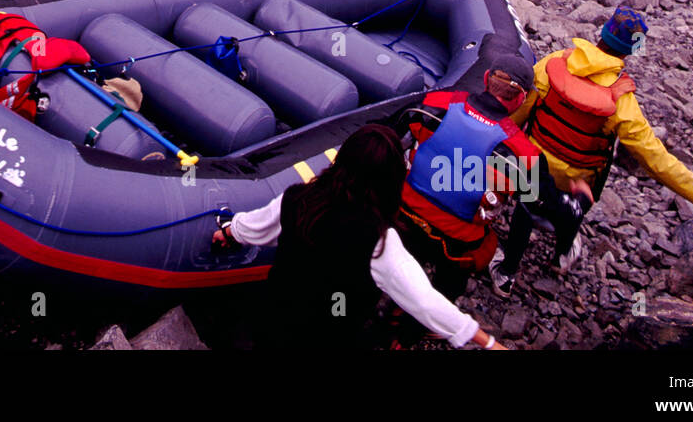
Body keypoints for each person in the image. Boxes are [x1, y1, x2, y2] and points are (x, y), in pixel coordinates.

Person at [213, 124, 506, 350]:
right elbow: (425, 301)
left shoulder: (296, 198)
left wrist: (228, 233)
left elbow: (255, 227)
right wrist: (487, 341)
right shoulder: (380, 243)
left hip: (272, 320)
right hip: (326, 337)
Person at [491, 6, 693, 294]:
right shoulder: (622, 101)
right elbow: (652, 156)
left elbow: (521, 107)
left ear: (602, 34)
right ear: (630, 52)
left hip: (534, 165)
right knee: (575, 212)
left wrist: (497, 139)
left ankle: (507, 273)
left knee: (524, 209)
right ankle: (562, 255)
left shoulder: (554, 63)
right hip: (579, 179)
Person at [393, 53, 589, 317]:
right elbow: (542, 206)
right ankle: (435, 318)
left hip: (403, 214)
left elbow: (395, 136)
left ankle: (396, 288)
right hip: (457, 241)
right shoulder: (523, 155)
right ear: (521, 99)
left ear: (486, 79)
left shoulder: (433, 103)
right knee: (479, 254)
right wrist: (578, 202)